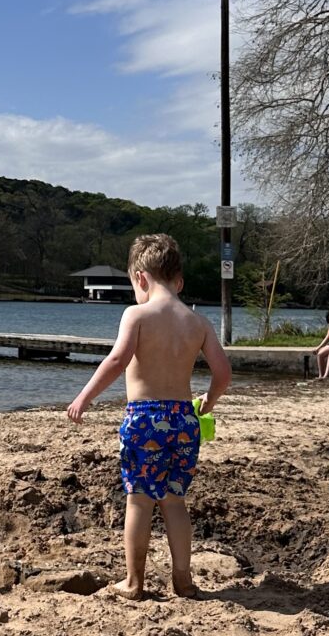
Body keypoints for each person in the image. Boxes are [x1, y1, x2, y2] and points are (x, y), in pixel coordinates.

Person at [66, 233, 231, 602]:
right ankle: (184, 581)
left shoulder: (136, 314)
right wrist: (209, 400)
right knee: (175, 500)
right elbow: (223, 373)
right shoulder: (198, 322)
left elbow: (117, 360)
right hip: (184, 419)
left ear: (140, 278)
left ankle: (134, 581)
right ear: (180, 281)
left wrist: (84, 397)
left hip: (145, 418)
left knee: (139, 499)